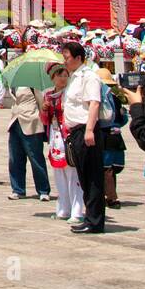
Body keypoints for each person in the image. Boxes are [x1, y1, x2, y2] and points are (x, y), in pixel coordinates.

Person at [61, 40, 105, 234]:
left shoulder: (89, 77)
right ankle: (90, 217)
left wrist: (89, 130)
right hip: (75, 132)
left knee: (92, 176)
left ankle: (95, 221)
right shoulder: (74, 77)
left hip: (86, 131)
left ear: (78, 58)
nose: (65, 62)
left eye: (67, 58)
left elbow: (94, 103)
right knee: (84, 177)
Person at [40, 63, 85, 222]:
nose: (63, 78)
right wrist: (45, 109)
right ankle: (63, 208)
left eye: (65, 75)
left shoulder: (70, 93)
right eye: (59, 75)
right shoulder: (48, 95)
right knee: (59, 175)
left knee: (73, 173)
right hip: (54, 135)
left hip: (68, 134)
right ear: (53, 77)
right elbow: (44, 120)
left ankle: (77, 210)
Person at [7, 87, 51, 201]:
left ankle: (43, 190)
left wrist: (43, 111)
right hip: (15, 121)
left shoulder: (32, 84)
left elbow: (41, 102)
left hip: (31, 122)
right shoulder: (13, 83)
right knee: (15, 159)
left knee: (36, 158)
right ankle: (18, 189)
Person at [97, 67, 127, 209]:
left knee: (106, 167)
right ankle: (110, 194)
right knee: (114, 167)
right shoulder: (117, 98)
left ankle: (111, 198)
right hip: (116, 135)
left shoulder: (98, 97)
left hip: (104, 134)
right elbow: (124, 119)